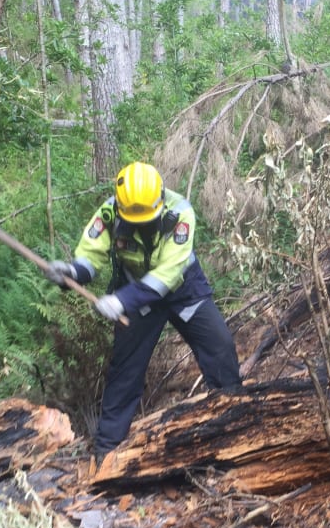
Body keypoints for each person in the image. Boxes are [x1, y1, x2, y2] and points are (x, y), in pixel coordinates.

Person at [44, 162, 242, 464]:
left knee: (220, 348)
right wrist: (72, 272)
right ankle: (107, 453)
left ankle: (235, 426)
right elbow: (91, 255)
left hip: (181, 289)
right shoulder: (110, 213)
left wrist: (121, 300)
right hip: (136, 293)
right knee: (125, 372)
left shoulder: (180, 213)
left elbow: (168, 275)